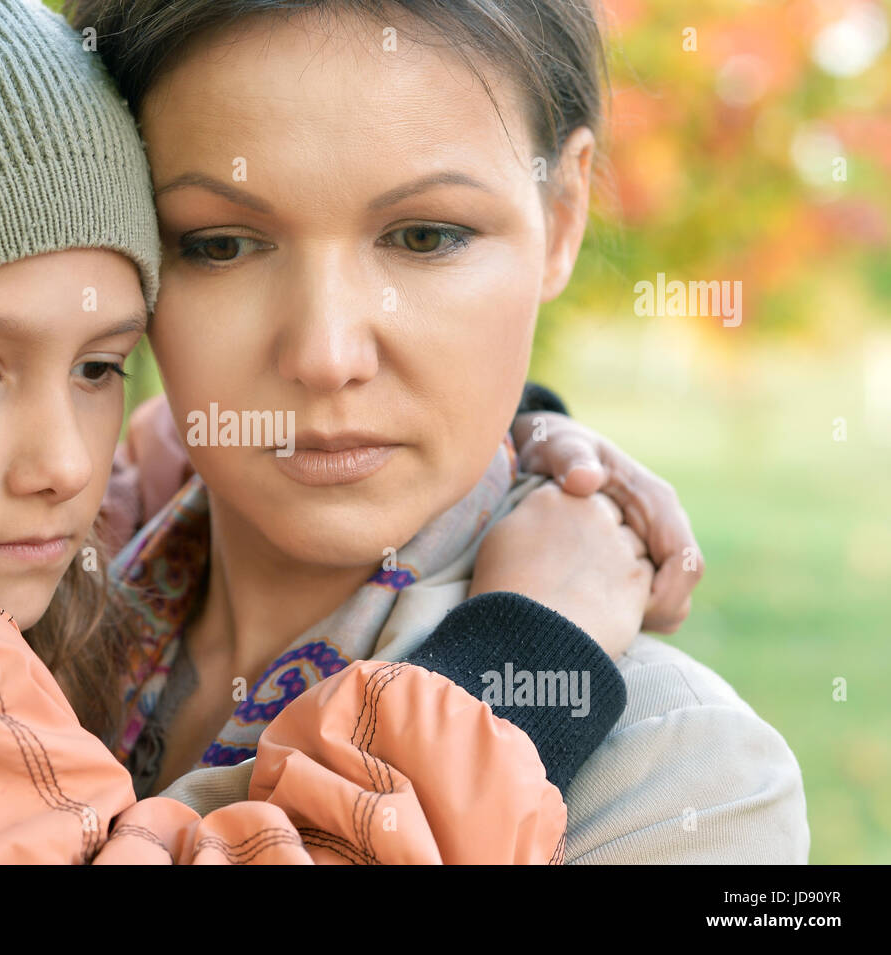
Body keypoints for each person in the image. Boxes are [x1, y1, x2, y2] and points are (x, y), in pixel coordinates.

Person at [0, 0, 652, 864]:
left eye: (100, 364)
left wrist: (512, 441)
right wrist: (520, 660)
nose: (65, 466)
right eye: (220, 244)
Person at [66, 0, 810, 862]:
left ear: (562, 214)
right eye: (222, 245)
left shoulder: (679, 779)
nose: (325, 353)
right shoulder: (6, 588)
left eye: (425, 236)